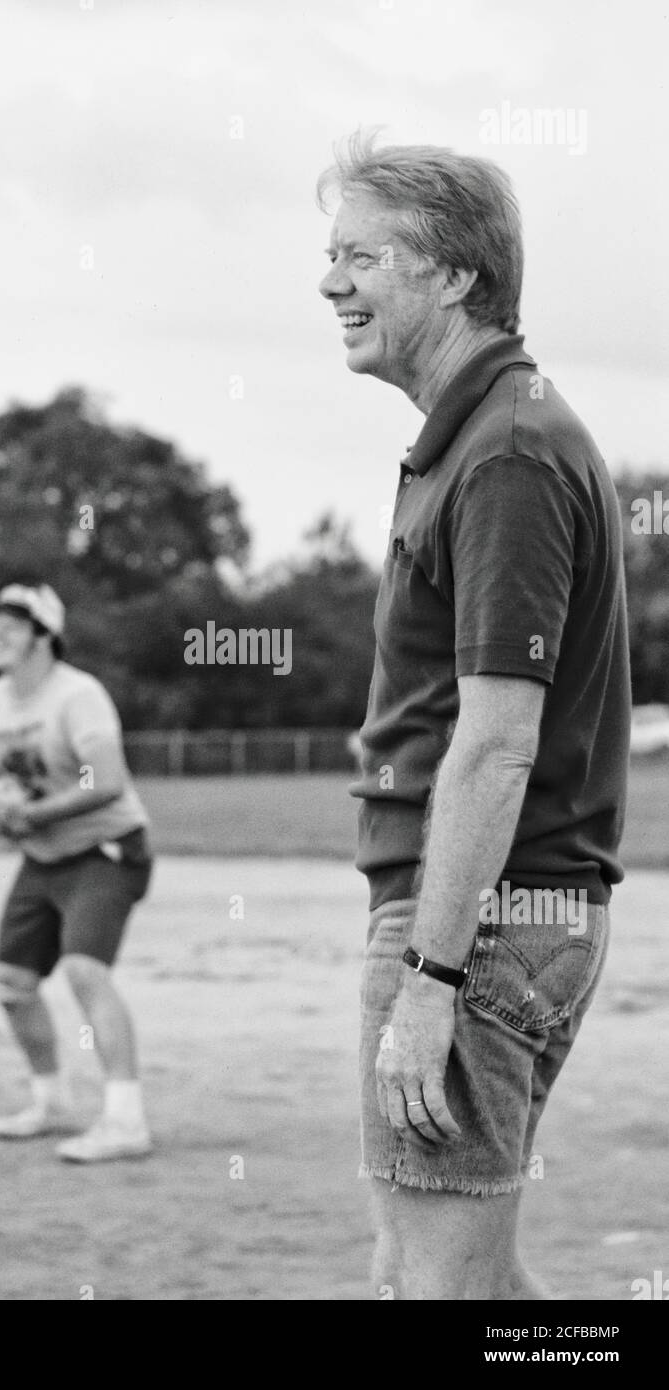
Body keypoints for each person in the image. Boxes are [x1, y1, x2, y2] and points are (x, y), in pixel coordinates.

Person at [317, 134, 631, 1299]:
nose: (330, 282)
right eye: (329, 253)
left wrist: (431, 977)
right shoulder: (487, 432)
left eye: (362, 255)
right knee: (466, 1286)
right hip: (497, 910)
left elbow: (496, 741)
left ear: (454, 276)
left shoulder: (504, 451)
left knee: (428, 1286)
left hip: (479, 919)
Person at [0, 582, 154, 1164]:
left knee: (84, 971)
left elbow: (106, 780)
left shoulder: (78, 696)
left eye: (12, 625)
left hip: (108, 849)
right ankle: (53, 1102)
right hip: (42, 858)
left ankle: (125, 1121)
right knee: (10, 985)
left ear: (45, 635)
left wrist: (29, 812)